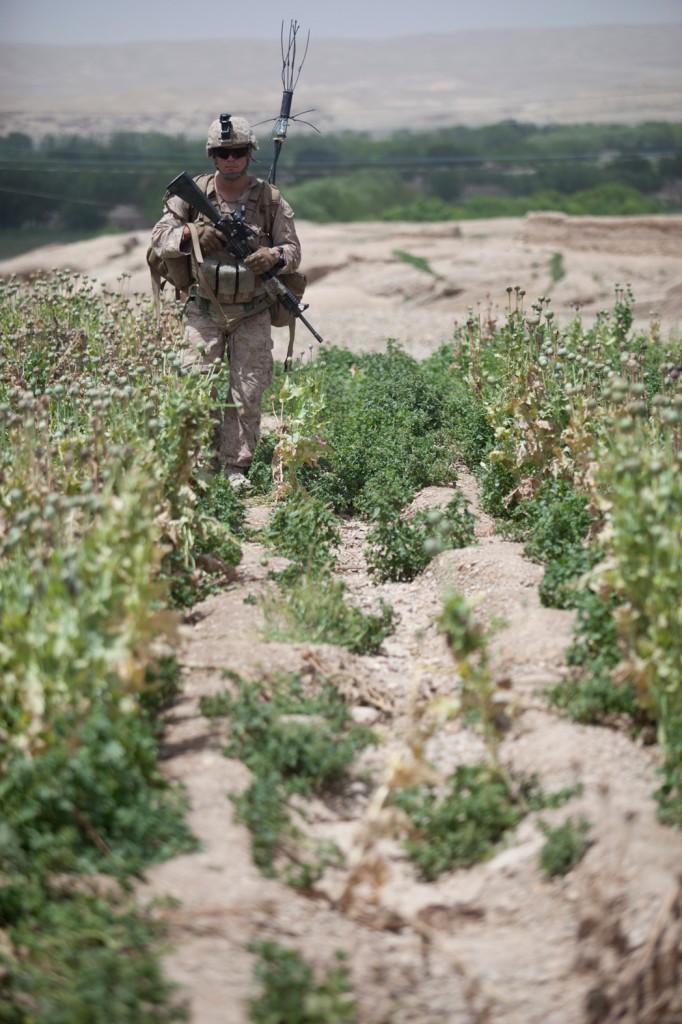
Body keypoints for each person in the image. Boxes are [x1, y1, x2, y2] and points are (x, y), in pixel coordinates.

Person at [150, 113, 302, 491]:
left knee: (248, 391)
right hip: (203, 307)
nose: (230, 159)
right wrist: (193, 232)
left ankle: (235, 467)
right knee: (196, 387)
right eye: (222, 152)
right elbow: (159, 239)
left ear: (249, 154)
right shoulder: (190, 196)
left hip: (252, 309)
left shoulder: (269, 199)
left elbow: (294, 250)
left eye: (237, 151)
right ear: (212, 155)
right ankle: (198, 465)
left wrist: (273, 256)